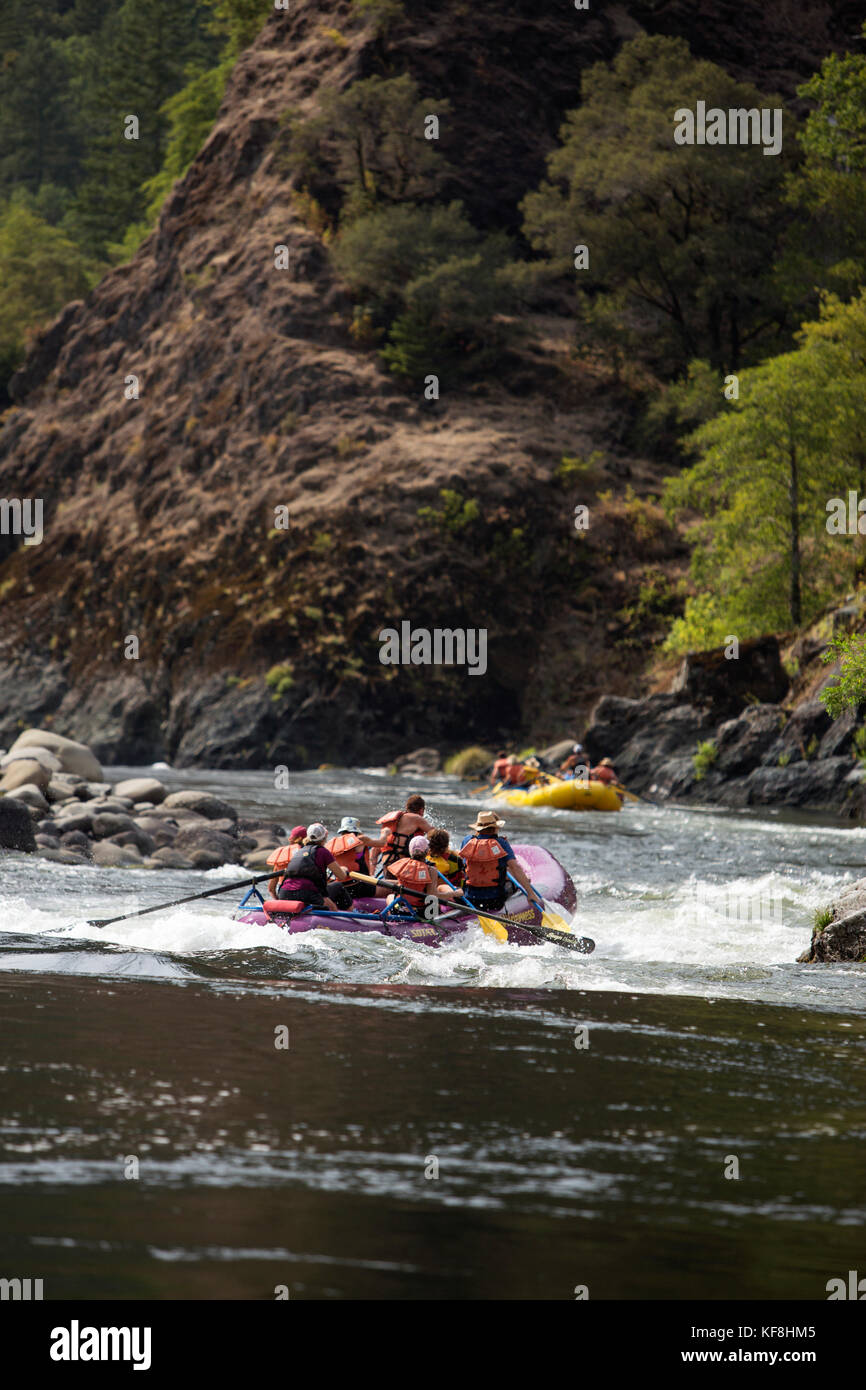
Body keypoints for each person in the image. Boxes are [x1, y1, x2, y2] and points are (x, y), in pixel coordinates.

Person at [459, 810, 534, 912]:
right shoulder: (501, 843)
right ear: (496, 827)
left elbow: (464, 865)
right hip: (495, 901)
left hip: (470, 899)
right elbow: (515, 867)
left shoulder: (467, 841)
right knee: (525, 879)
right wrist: (530, 893)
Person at [272, 823, 349, 909]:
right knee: (333, 908)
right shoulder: (323, 852)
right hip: (306, 893)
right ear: (324, 838)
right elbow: (341, 876)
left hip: (284, 893)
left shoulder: (298, 852)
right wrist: (344, 870)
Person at [386, 835, 461, 914]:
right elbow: (432, 895)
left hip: (400, 908)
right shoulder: (431, 870)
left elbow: (403, 884)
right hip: (421, 912)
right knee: (436, 902)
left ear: (409, 851)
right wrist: (455, 893)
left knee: (390, 897)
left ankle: (392, 914)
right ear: (428, 851)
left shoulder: (402, 864)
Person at [370, 794, 433, 871]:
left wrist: (372, 870)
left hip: (387, 865)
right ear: (421, 810)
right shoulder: (417, 819)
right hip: (404, 868)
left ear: (407, 808)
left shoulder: (393, 820)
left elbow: (375, 850)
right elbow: (437, 836)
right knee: (432, 869)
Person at [325, 817, 379, 903]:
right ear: (356, 832)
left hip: (341, 885)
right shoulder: (361, 840)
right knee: (394, 887)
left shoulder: (332, 844)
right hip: (359, 885)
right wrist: (386, 832)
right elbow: (383, 843)